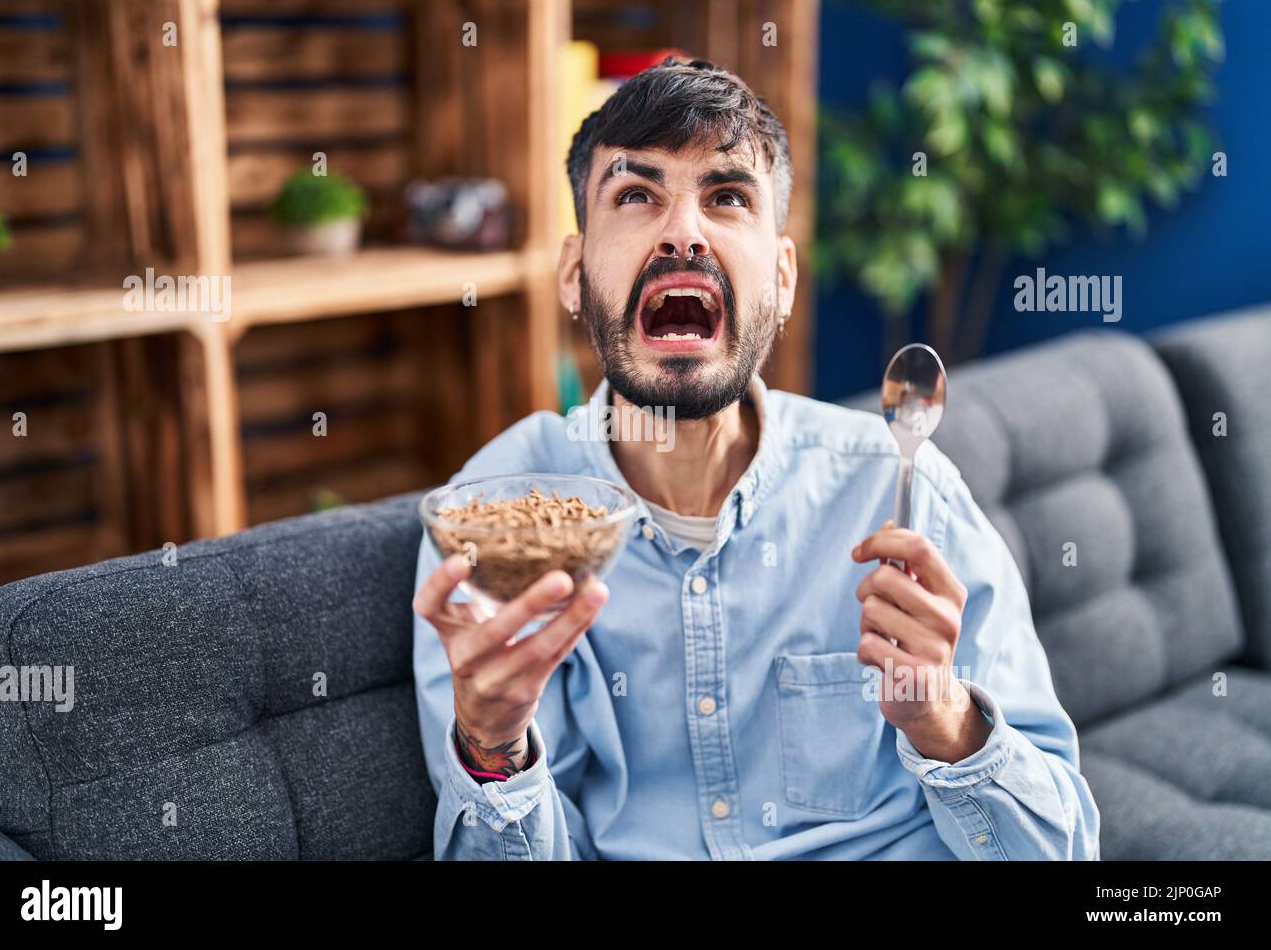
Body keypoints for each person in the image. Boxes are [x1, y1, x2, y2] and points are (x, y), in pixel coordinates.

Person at [412, 57, 1100, 860]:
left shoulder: (901, 484)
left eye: (726, 197)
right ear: (574, 274)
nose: (683, 231)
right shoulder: (493, 527)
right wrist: (493, 751)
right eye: (636, 195)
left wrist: (943, 718)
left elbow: (1065, 850)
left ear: (779, 278)